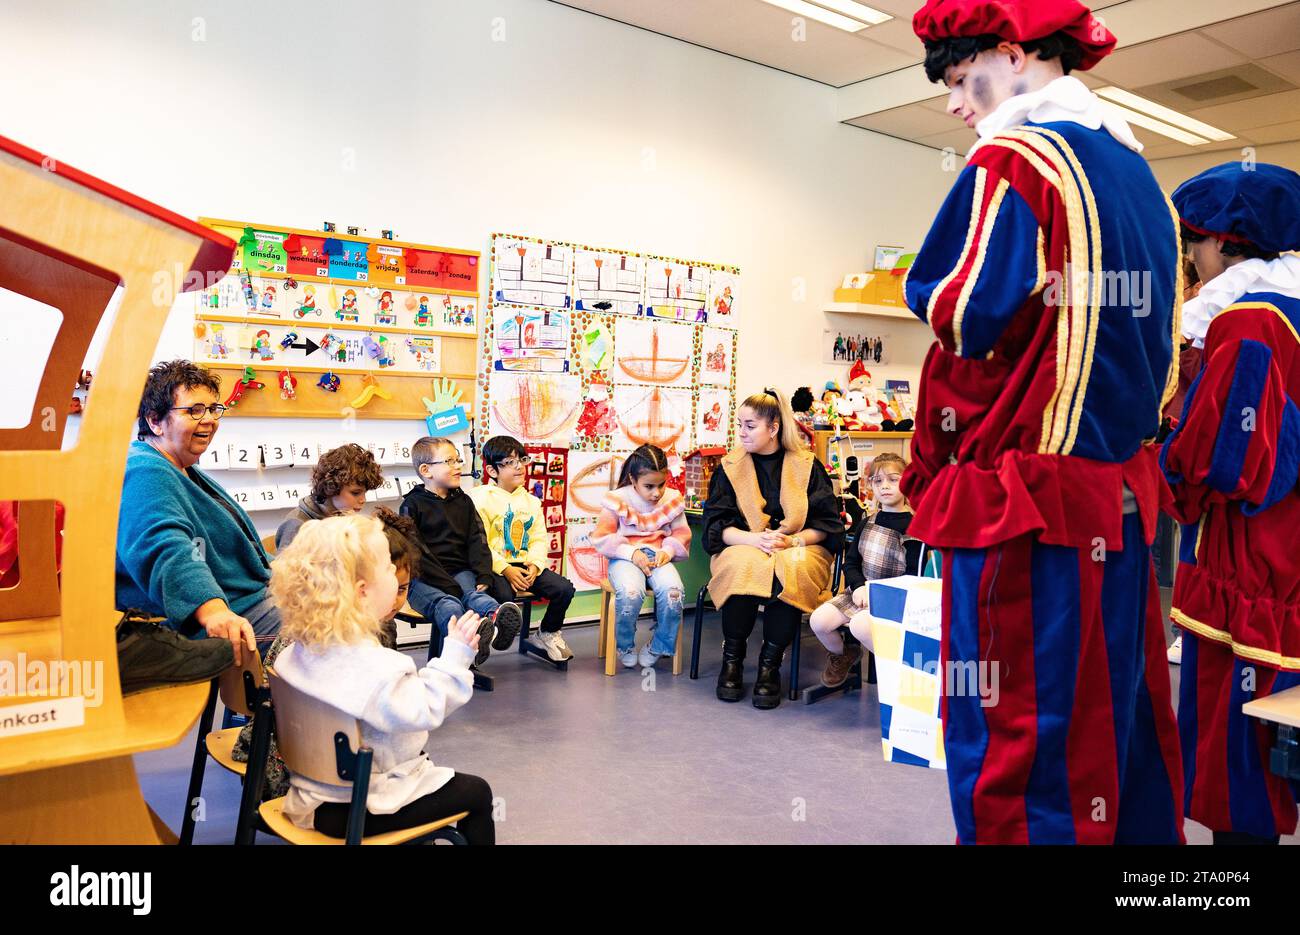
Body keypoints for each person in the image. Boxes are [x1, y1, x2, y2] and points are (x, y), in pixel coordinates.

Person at [902, 0, 1183, 843]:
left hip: (1028, 505)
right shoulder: (1144, 180)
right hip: (1120, 503)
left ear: (1011, 50)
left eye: (961, 78)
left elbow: (965, 310)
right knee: (1113, 724)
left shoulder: (1018, 157)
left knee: (1015, 739)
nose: (956, 104)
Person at [1161, 162, 1300, 845]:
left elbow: (1224, 459)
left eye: (1195, 242)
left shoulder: (1249, 322)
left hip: (1248, 561)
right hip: (1289, 552)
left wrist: (1161, 464)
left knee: (1238, 740)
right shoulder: (1291, 310)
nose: (1192, 257)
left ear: (1224, 239)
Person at [269, 514, 495, 844]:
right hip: (363, 805)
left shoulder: (295, 653)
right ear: (362, 592)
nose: (395, 572)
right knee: (477, 793)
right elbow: (424, 709)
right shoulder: (375, 666)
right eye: (388, 568)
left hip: (310, 798)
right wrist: (455, 657)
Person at [116, 359, 271, 663]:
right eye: (194, 410)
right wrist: (212, 609)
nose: (209, 419)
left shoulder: (183, 469)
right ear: (155, 421)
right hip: (205, 621)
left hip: (246, 601)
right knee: (337, 632)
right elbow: (164, 545)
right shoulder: (144, 469)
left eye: (214, 409)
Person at [702, 389, 842, 709]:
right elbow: (716, 528)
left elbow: (828, 526)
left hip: (798, 544)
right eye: (739, 424)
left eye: (750, 426)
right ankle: (732, 661)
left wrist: (793, 541)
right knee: (742, 566)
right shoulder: (730, 467)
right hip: (744, 541)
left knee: (789, 571)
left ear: (774, 428)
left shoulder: (808, 466)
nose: (741, 432)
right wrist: (753, 540)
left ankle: (770, 666)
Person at [400, 436, 522, 665]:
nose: (458, 466)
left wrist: (484, 573)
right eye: (450, 461)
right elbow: (416, 553)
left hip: (459, 572)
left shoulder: (463, 501)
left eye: (458, 460)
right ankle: (466, 649)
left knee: (476, 595)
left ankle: (494, 622)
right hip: (423, 579)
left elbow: (478, 539)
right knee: (450, 604)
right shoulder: (412, 505)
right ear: (426, 470)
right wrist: (450, 585)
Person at [809, 453, 925, 689]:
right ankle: (844, 655)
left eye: (893, 480)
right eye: (878, 481)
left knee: (860, 625)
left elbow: (915, 575)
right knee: (819, 621)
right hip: (860, 593)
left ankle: (899, 668)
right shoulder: (867, 521)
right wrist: (859, 586)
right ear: (870, 485)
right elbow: (851, 563)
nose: (885, 486)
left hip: (893, 599)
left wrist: (878, 594)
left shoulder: (915, 527)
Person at [470, 435, 576, 662]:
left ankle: (547, 633)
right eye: (509, 462)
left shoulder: (531, 501)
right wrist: (506, 569)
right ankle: (478, 642)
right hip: (496, 567)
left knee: (564, 589)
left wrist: (535, 565)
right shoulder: (481, 499)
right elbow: (481, 544)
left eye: (521, 459)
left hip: (526, 566)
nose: (519, 466)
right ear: (492, 470)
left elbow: (539, 537)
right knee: (504, 596)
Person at [590, 445, 691, 669]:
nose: (656, 493)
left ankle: (659, 645)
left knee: (674, 593)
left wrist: (668, 551)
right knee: (630, 593)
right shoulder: (616, 499)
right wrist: (631, 552)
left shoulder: (672, 499)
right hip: (625, 558)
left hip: (658, 557)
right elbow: (603, 537)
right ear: (632, 480)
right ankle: (624, 645)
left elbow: (682, 533)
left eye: (661, 484)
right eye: (648, 486)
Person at [274, 443, 383, 549]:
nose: (363, 500)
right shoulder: (296, 526)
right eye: (355, 493)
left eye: (365, 492)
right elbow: (286, 567)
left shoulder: (344, 518)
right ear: (331, 487)